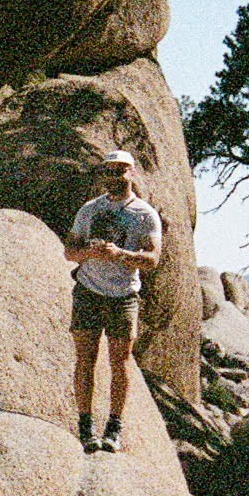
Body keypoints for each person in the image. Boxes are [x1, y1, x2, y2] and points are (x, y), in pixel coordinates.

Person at [66, 149, 163, 454]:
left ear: (131, 174)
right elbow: (70, 251)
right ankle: (85, 424)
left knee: (120, 363)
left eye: (121, 171)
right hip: (88, 291)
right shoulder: (89, 210)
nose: (114, 176)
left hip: (124, 296)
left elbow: (152, 259)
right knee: (85, 359)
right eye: (109, 171)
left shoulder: (145, 214)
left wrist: (120, 255)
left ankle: (114, 427)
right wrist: (89, 253)